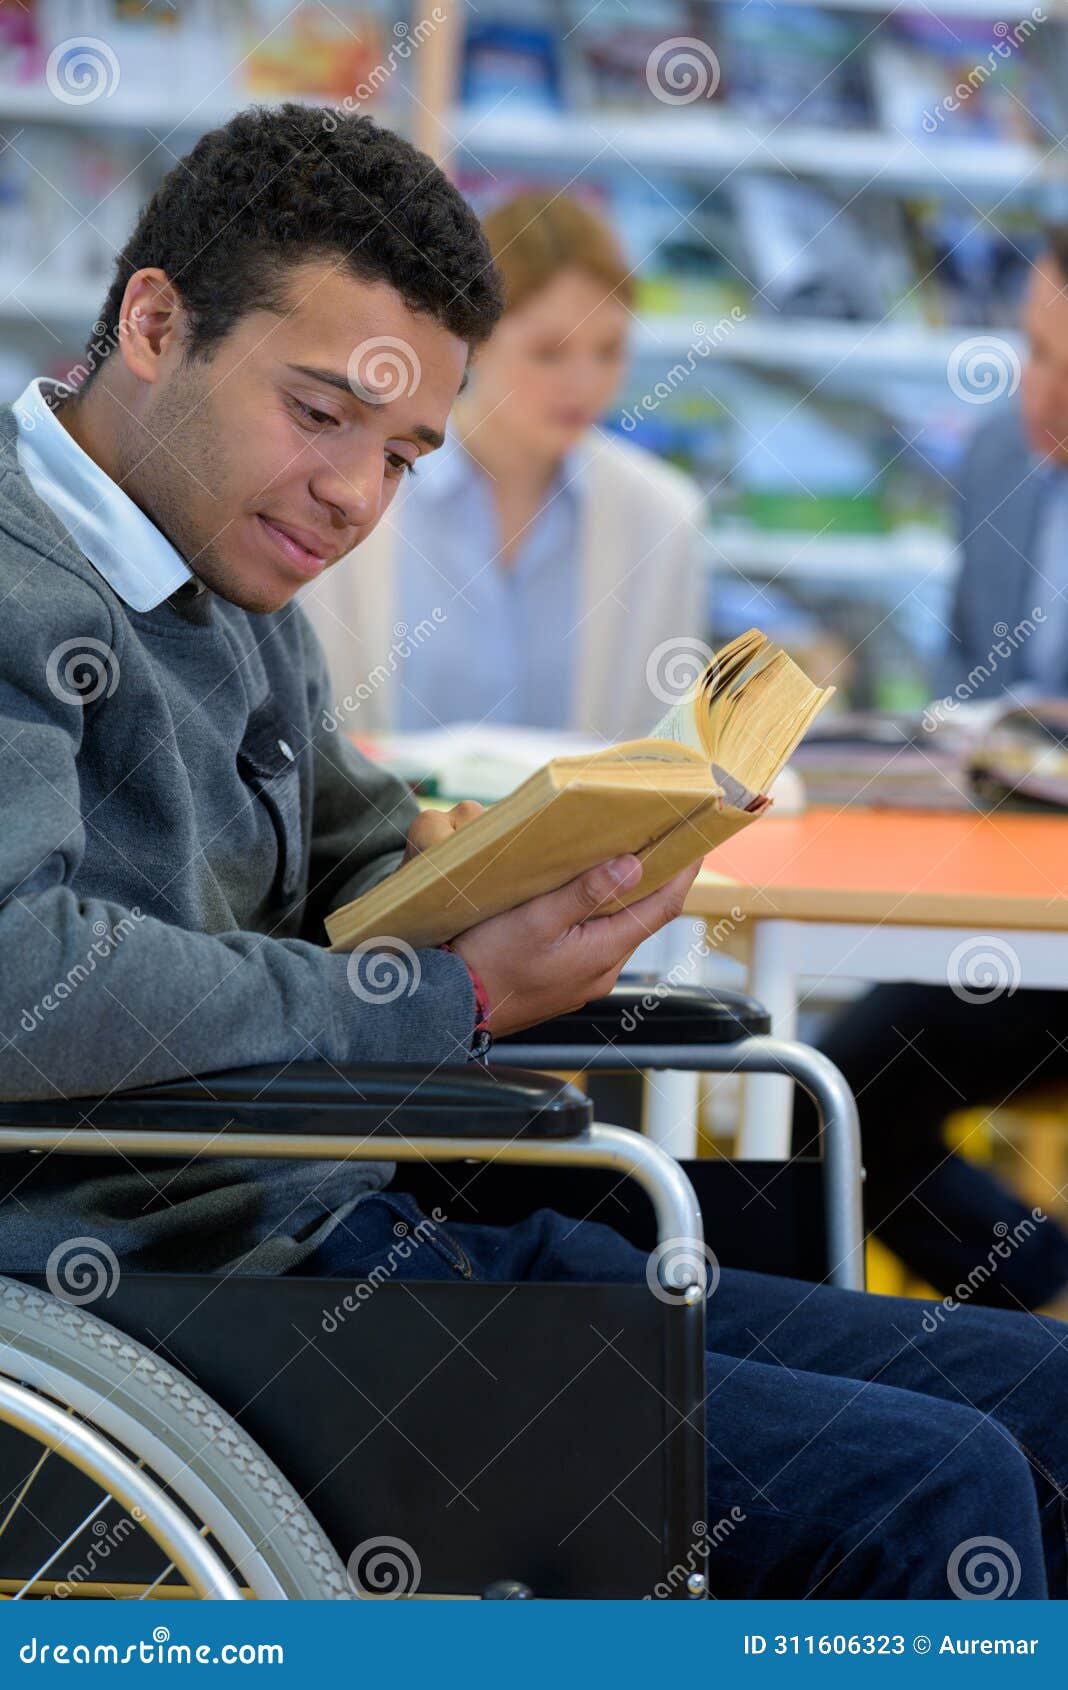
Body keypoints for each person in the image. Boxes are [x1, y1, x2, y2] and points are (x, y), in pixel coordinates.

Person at [0, 104, 1065, 1600]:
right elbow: (24, 974)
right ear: (158, 324)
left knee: (1041, 1397)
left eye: (403, 455)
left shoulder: (225, 571)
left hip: (347, 1231)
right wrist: (449, 1003)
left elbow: (358, 853)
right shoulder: (21, 580)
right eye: (319, 415)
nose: (355, 498)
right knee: (931, 1489)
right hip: (162, 1307)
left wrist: (560, 860)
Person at [797, 231, 1068, 1311]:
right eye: (1036, 348)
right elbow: (970, 676)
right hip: (999, 921)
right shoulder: (1000, 456)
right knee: (836, 1094)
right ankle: (1036, 1298)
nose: (1042, 391)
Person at [301, 190, 705, 744]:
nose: (584, 384)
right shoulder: (366, 486)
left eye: (609, 351)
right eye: (549, 352)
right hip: (389, 830)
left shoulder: (661, 517)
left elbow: (661, 754)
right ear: (476, 344)